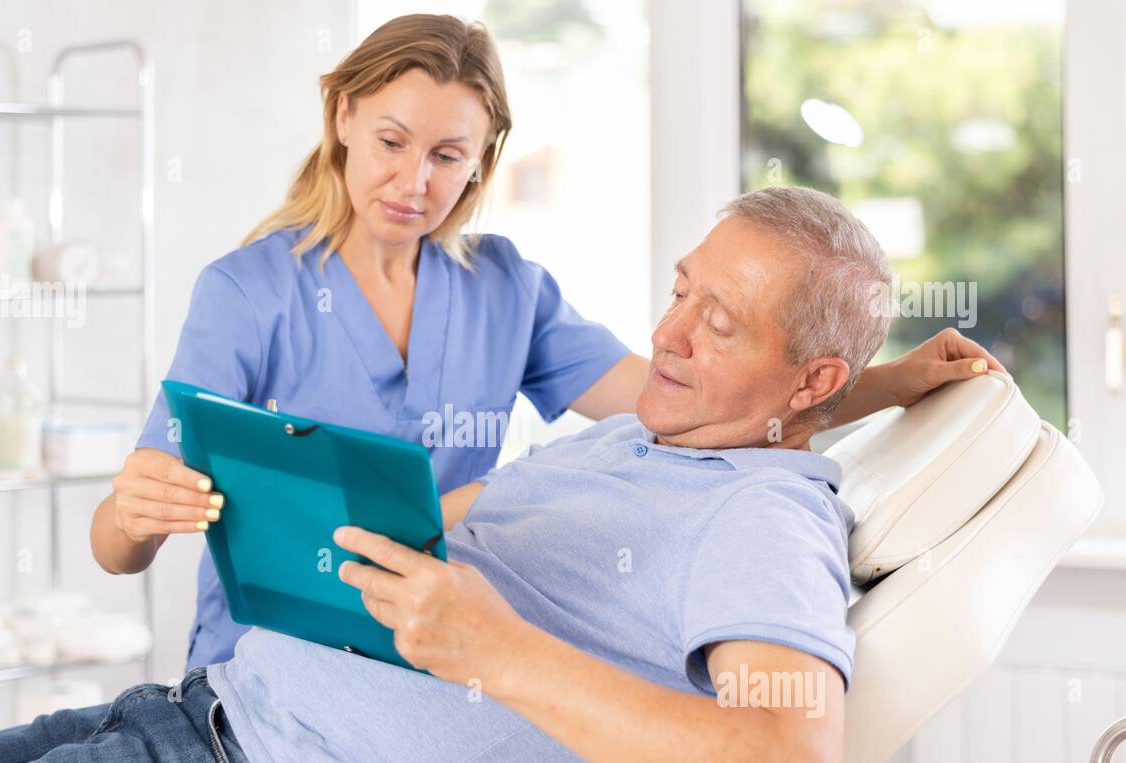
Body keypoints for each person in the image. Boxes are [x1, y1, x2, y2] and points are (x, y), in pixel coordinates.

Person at [0, 186, 998, 763]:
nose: (673, 332)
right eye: (681, 287)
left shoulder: (761, 521)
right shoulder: (648, 434)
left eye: (718, 320)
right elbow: (748, 400)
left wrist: (497, 649)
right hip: (208, 710)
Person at [88, 13, 1004, 672]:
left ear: (483, 159)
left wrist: (886, 383)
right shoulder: (248, 293)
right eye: (392, 141)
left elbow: (691, 397)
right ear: (341, 120)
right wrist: (133, 517)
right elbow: (118, 544)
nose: (414, 182)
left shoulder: (506, 288)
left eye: (449, 156)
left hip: (430, 667)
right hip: (259, 668)